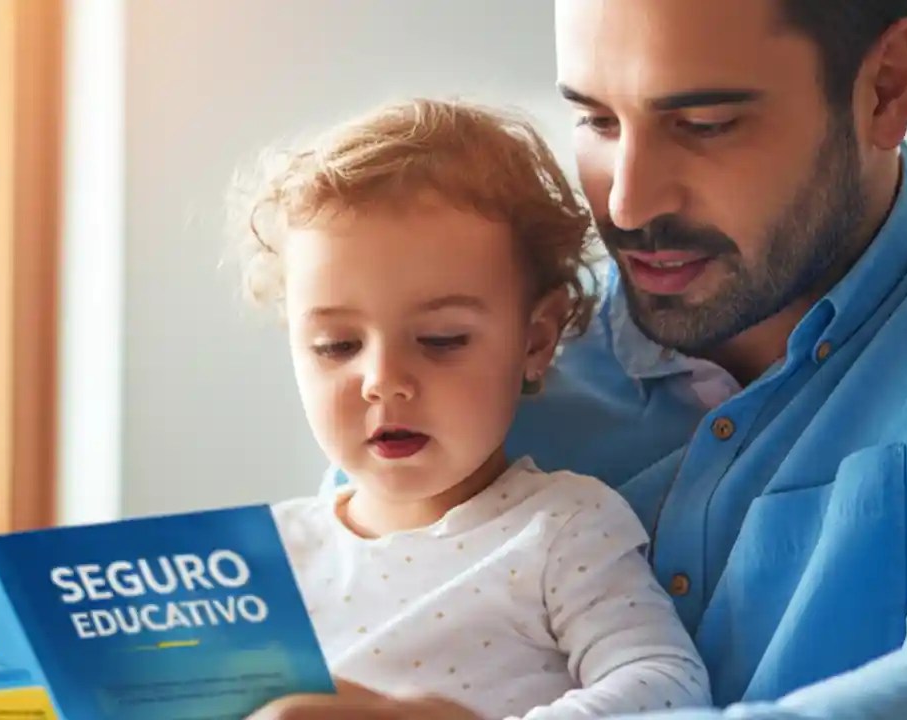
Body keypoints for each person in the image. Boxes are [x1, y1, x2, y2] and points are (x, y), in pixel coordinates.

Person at [248, 0, 907, 718]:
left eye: (704, 123)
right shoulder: (483, 358)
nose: (625, 206)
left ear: (886, 88)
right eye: (594, 120)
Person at [240, 97, 711, 717]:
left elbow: (667, 685)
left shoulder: (562, 528)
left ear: (536, 341)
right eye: (338, 346)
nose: (383, 381)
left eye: (441, 341)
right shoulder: (265, 555)